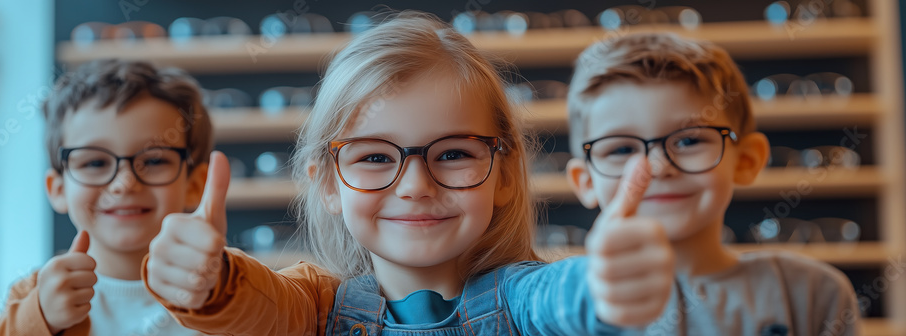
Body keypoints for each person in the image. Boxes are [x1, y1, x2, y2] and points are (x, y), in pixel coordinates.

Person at [143, 12, 674, 335]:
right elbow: (256, 305)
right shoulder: (313, 308)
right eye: (374, 157)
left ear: (506, 173)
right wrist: (211, 281)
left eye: (453, 154)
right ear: (328, 183)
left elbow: (563, 297)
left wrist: (602, 283)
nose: (416, 186)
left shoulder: (522, 299)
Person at [564, 32, 860, 335]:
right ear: (585, 181)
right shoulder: (568, 309)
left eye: (690, 140)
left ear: (746, 161)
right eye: (622, 150)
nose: (657, 167)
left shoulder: (811, 293)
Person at [0, 59, 215, 335]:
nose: (124, 184)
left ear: (194, 184)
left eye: (153, 161)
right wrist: (40, 319)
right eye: (95, 163)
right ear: (58, 189)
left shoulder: (226, 292)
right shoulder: (36, 296)